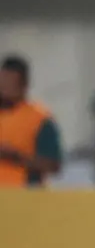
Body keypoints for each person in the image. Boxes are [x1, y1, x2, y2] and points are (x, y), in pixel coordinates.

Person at [0, 55, 62, 187]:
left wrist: (16, 157)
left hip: (23, 197)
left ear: (24, 85)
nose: (3, 89)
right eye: (2, 82)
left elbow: (53, 165)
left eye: (10, 84)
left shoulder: (39, 118)